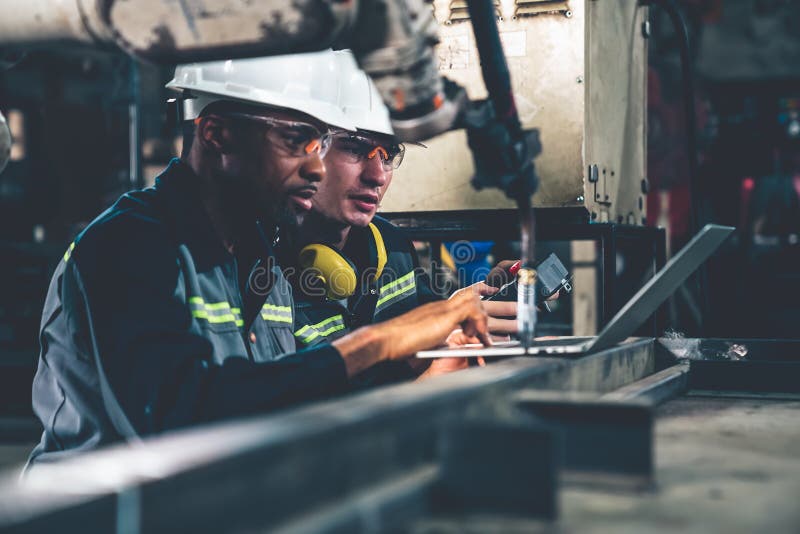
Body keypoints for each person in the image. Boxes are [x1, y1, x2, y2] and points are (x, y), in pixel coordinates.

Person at [27, 51, 489, 469]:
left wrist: (413, 373)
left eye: (322, 142)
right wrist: (377, 344)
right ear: (217, 134)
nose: (315, 166)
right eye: (296, 140)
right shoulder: (128, 244)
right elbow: (179, 420)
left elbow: (274, 403)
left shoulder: (255, 252)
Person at [288, 51, 515, 385]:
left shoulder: (391, 246)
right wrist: (420, 386)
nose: (378, 175)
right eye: (354, 147)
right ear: (304, 147)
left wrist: (465, 310)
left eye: (389, 154)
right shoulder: (261, 266)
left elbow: (428, 327)